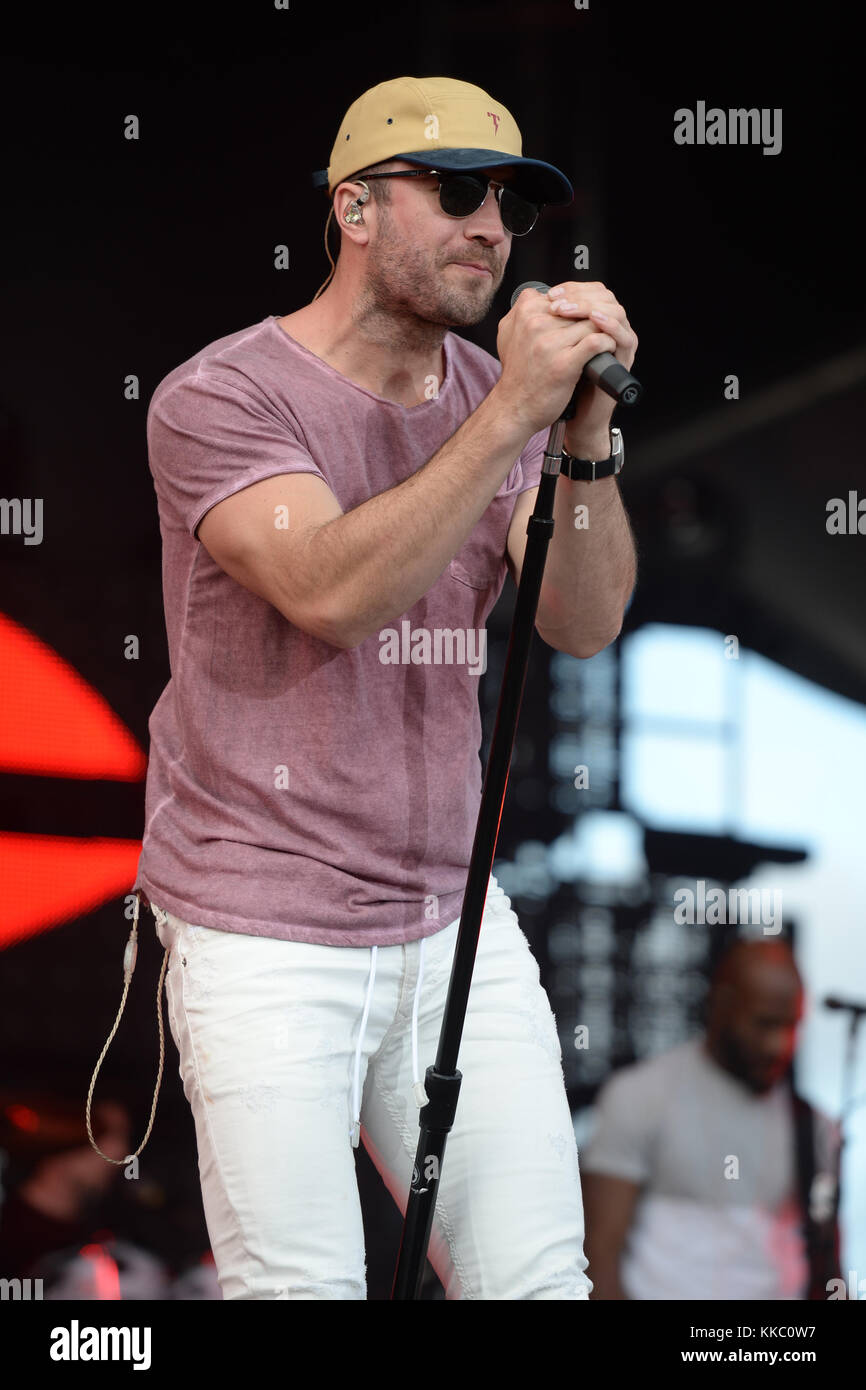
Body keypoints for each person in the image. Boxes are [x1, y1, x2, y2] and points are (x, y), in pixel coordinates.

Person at [131, 75, 638, 1300]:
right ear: (353, 210)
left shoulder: (496, 408)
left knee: (538, 1285)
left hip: (445, 920)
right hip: (259, 923)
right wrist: (514, 404)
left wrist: (576, 437)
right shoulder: (223, 396)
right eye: (455, 191)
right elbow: (326, 587)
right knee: (301, 1289)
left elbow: (581, 620)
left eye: (510, 202)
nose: (490, 228)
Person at [580, 938, 843, 1300]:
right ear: (722, 1004)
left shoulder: (814, 1128)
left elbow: (828, 1267)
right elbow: (598, 1256)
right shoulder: (640, 1095)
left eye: (792, 1026)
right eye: (765, 1024)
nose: (778, 1045)